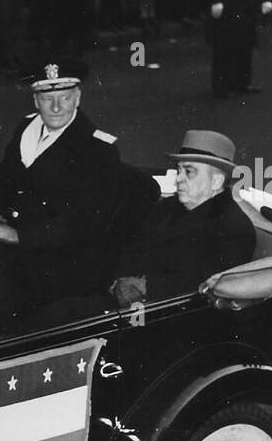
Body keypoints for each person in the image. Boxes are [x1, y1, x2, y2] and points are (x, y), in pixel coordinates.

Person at [0, 58, 156, 336]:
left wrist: (18, 236)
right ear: (35, 100)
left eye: (64, 97)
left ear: (78, 98)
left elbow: (82, 224)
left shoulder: (98, 149)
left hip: (63, 257)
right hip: (17, 242)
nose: (57, 107)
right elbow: (0, 183)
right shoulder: (26, 131)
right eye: (47, 98)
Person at [108, 131, 255, 310]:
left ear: (216, 181)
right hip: (128, 304)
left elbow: (208, 288)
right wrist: (119, 281)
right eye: (179, 170)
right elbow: (131, 247)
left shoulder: (233, 229)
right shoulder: (167, 207)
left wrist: (144, 287)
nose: (178, 179)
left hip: (164, 318)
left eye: (189, 172)